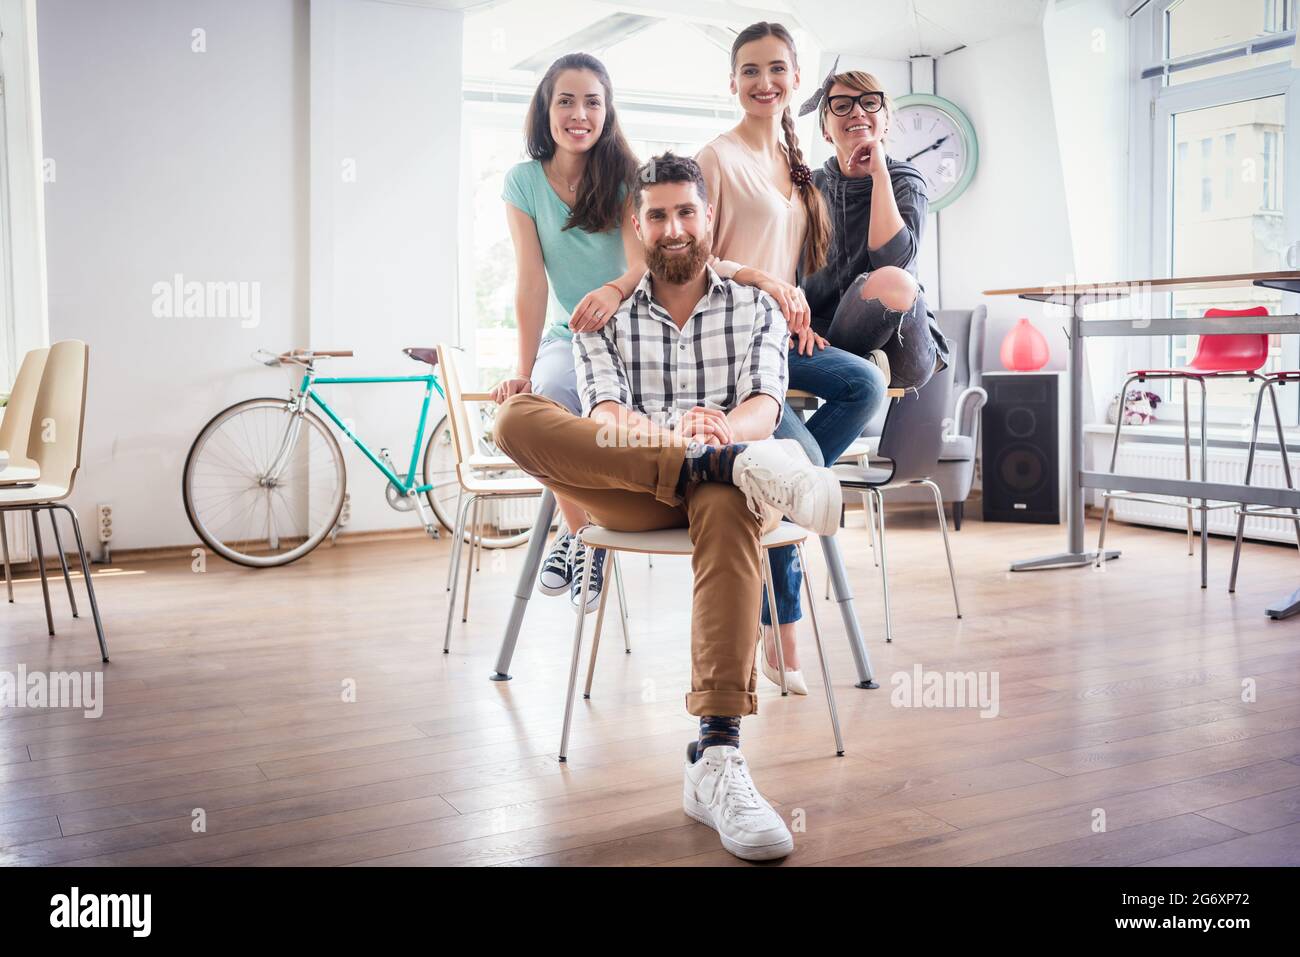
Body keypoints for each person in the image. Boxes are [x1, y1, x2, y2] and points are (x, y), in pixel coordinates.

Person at [494, 153, 841, 861]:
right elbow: (608, 414)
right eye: (658, 215)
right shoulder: (603, 316)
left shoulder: (754, 305)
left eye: (687, 211)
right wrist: (685, 444)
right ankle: (726, 467)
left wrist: (728, 433)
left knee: (721, 495)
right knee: (514, 420)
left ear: (709, 216)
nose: (674, 227)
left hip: (732, 488)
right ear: (637, 225)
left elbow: (765, 403)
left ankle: (716, 758)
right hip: (636, 492)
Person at [696, 21, 886, 695]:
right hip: (728, 345)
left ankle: (768, 486)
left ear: (795, 80)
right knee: (797, 465)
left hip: (780, 340)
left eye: (777, 69)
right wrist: (767, 283)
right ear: (733, 83)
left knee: (862, 383)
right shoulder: (714, 158)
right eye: (750, 70)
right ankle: (784, 638)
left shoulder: (798, 164)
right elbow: (692, 261)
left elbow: (799, 260)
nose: (764, 82)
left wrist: (797, 309)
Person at [492, 53, 642, 614]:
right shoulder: (523, 182)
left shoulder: (628, 177)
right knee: (546, 405)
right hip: (568, 336)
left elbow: (639, 266)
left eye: (592, 102)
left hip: (631, 335)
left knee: (603, 423)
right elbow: (530, 283)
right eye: (566, 100)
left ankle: (578, 538)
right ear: (546, 109)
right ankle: (586, 539)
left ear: (607, 112)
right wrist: (522, 371)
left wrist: (613, 291)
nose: (579, 114)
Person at [799, 65, 951, 392]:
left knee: (893, 280)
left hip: (901, 352)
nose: (857, 111)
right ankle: (850, 363)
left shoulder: (905, 181)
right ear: (825, 129)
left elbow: (893, 264)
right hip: (819, 338)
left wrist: (879, 174)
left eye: (869, 103)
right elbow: (783, 268)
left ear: (885, 122)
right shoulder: (808, 188)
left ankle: (841, 363)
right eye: (841, 105)